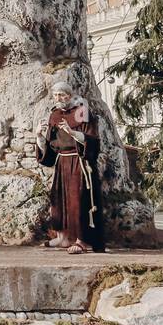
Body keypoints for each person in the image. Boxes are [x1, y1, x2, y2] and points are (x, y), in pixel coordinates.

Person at [36, 81, 104, 254]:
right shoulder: (55, 114)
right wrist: (39, 136)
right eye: (55, 95)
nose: (59, 98)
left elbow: (93, 139)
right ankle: (62, 237)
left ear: (70, 95)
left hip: (79, 162)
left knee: (78, 200)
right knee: (58, 200)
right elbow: (52, 145)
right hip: (62, 162)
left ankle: (82, 240)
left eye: (62, 94)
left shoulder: (81, 111)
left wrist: (73, 133)